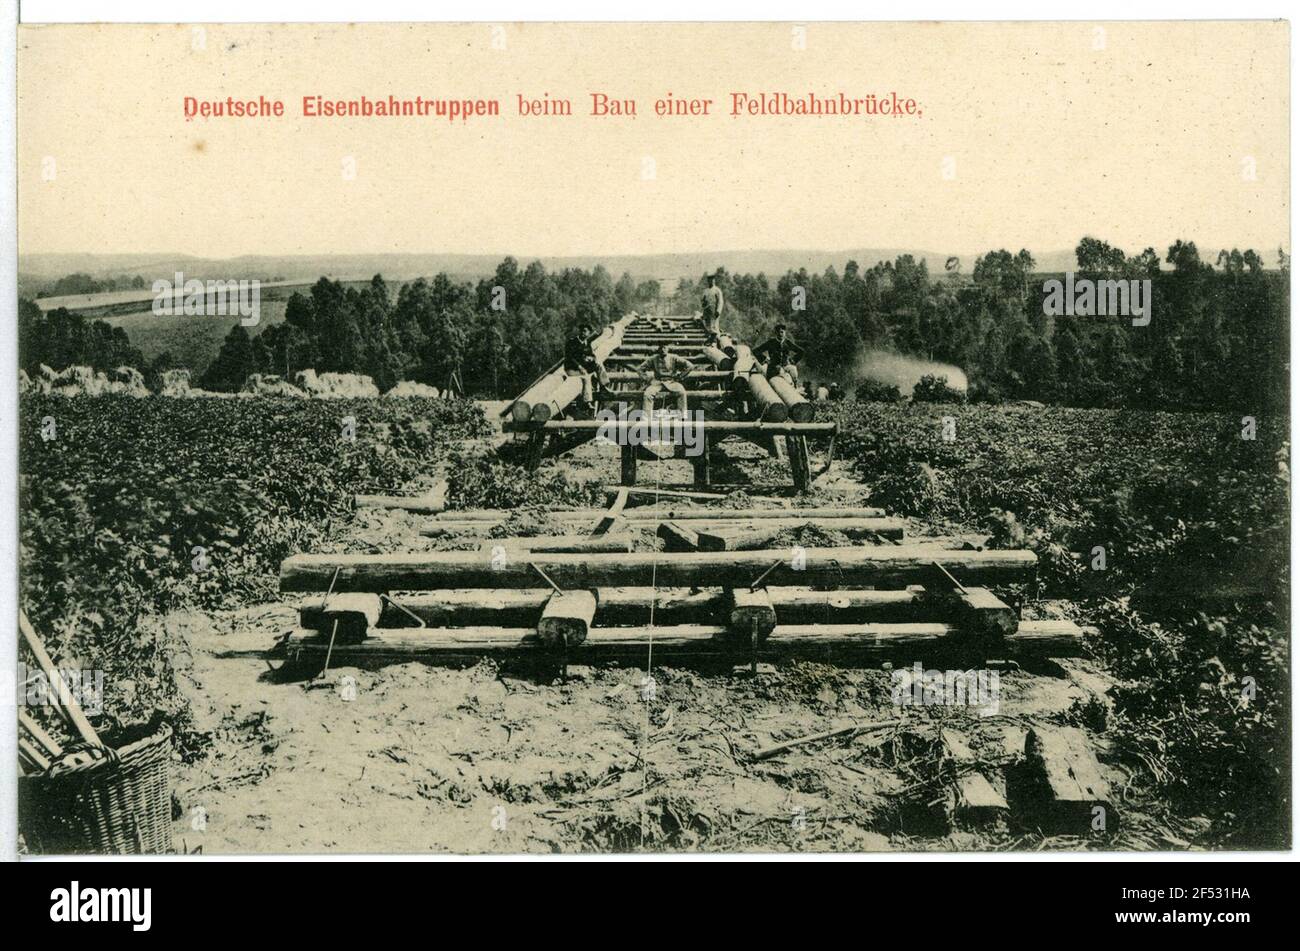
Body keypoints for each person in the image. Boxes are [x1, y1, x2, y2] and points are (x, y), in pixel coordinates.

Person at [637, 342, 693, 415]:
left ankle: (682, 417)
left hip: (671, 382)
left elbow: (690, 366)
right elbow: (639, 369)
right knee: (647, 394)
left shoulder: (674, 357)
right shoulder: (653, 358)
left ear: (668, 349)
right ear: (658, 349)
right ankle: (646, 419)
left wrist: (680, 376)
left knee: (682, 392)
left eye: (664, 347)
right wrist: (648, 379)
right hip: (657, 383)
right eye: (661, 348)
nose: (663, 350)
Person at [562, 322, 608, 405]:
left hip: (583, 367)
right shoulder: (572, 342)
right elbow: (570, 357)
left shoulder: (586, 343)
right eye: (582, 331)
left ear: (589, 333)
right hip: (571, 368)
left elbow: (592, 355)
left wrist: (591, 358)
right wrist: (580, 367)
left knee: (599, 366)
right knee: (586, 377)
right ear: (580, 332)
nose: (583, 333)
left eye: (586, 331)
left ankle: (603, 386)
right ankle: (587, 402)